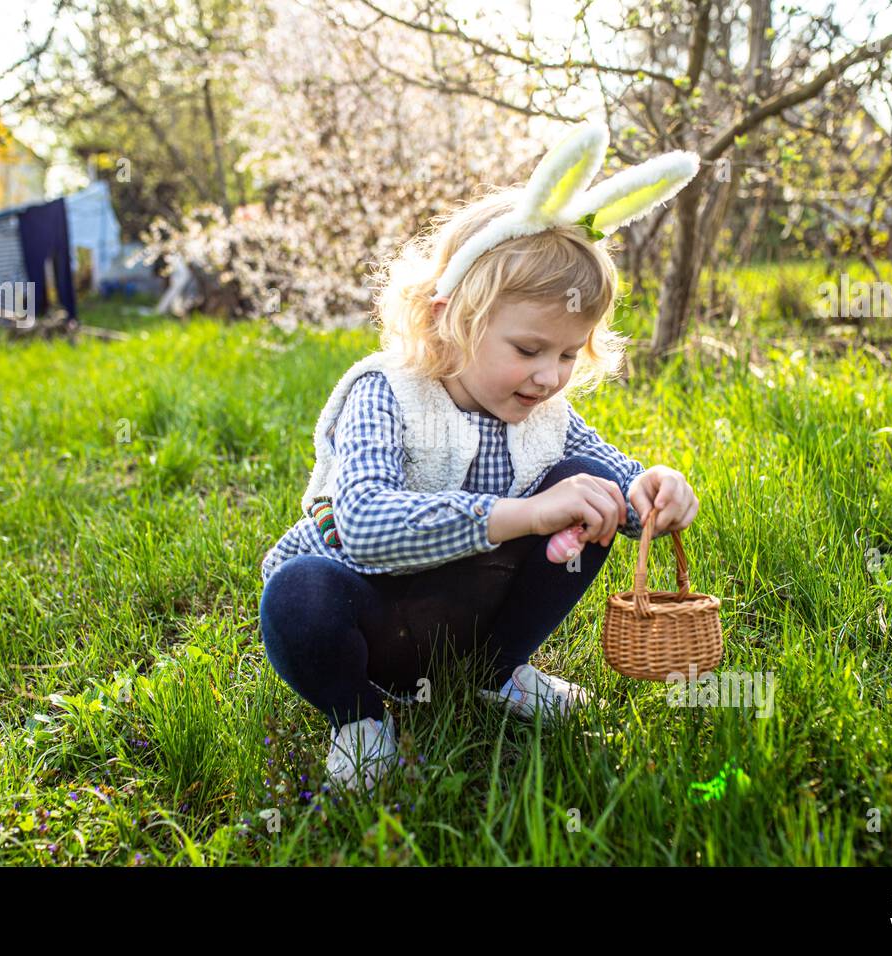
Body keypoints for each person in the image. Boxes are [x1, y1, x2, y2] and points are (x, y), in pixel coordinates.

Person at [259, 122, 703, 792]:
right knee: (298, 594)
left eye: (566, 353)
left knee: (585, 489)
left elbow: (619, 480)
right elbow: (366, 525)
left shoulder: (545, 417)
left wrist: (654, 491)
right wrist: (523, 514)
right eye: (529, 350)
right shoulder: (387, 394)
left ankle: (493, 673)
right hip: (376, 619)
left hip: (466, 623)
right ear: (448, 319)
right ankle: (360, 722)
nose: (550, 376)